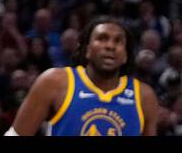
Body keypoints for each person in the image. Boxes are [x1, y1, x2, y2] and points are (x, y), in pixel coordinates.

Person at [9, 16, 158, 136]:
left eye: (118, 41)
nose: (110, 46)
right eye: (102, 38)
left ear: (125, 55)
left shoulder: (144, 96)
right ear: (87, 49)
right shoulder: (54, 82)